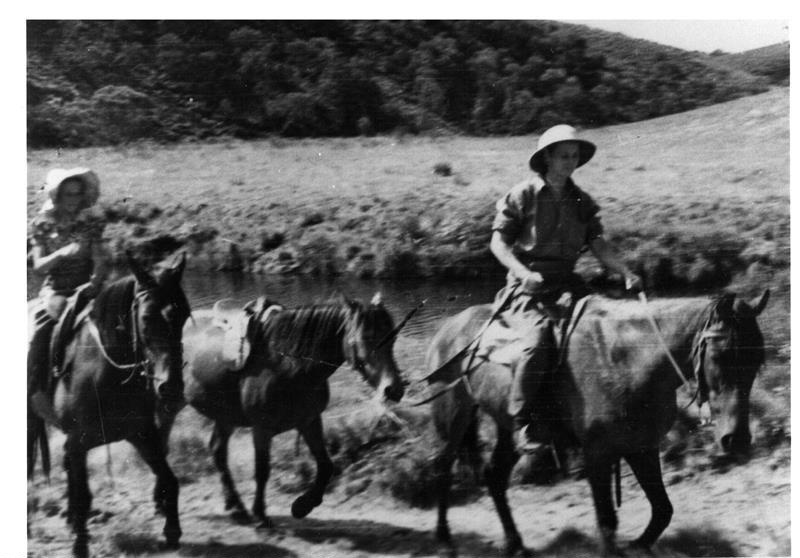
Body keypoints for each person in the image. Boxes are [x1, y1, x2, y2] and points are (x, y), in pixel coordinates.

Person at [489, 124, 642, 454]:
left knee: (605, 331)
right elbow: (498, 244)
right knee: (539, 339)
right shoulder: (523, 195)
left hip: (568, 285)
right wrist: (522, 272)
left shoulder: (581, 201)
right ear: (546, 157)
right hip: (526, 290)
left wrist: (624, 271)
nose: (570, 162)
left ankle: (601, 413)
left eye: (574, 156)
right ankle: (523, 421)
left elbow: (599, 245)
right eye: (563, 156)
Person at [28, 168, 110, 421]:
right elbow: (39, 266)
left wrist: (96, 279)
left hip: (88, 287)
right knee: (48, 326)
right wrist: (62, 253)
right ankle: (38, 385)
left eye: (77, 193)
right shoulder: (43, 223)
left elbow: (99, 257)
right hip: (57, 290)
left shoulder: (91, 221)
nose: (73, 199)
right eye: (68, 194)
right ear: (57, 195)